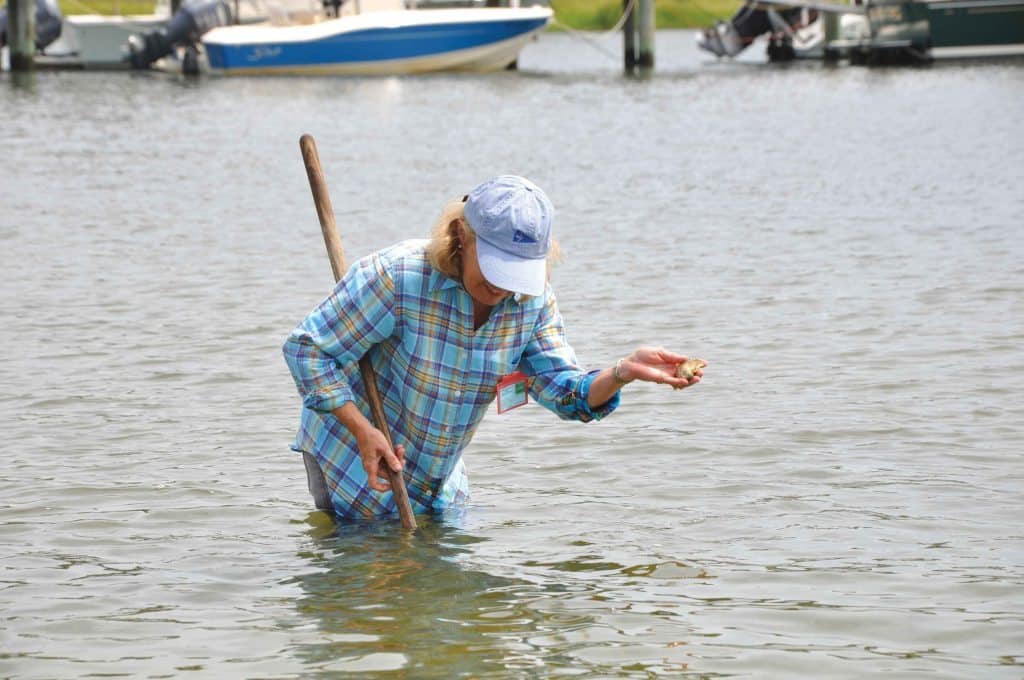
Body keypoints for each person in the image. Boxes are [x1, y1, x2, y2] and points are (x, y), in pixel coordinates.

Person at [283, 175, 703, 518]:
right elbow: (308, 350)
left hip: (436, 476)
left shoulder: (530, 301)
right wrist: (362, 430)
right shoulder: (398, 277)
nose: (502, 287)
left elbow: (563, 390)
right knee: (366, 592)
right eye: (494, 268)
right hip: (355, 461)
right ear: (460, 235)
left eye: (515, 274)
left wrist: (620, 373)